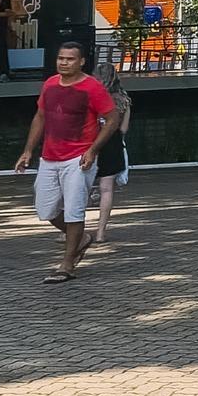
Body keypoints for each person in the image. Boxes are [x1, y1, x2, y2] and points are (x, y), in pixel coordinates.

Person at [12, 39, 118, 284]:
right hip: (49, 157)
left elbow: (111, 119)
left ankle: (67, 264)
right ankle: (80, 239)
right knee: (46, 209)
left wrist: (93, 150)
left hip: (78, 158)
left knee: (74, 211)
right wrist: (28, 151)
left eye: (70, 59)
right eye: (61, 58)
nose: (64, 62)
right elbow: (40, 117)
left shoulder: (92, 87)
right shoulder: (49, 84)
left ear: (81, 62)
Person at [88, 62, 131, 245]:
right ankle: (100, 233)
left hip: (90, 143)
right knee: (107, 190)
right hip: (112, 145)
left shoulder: (90, 97)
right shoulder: (123, 100)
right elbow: (123, 129)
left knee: (79, 189)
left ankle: (69, 232)